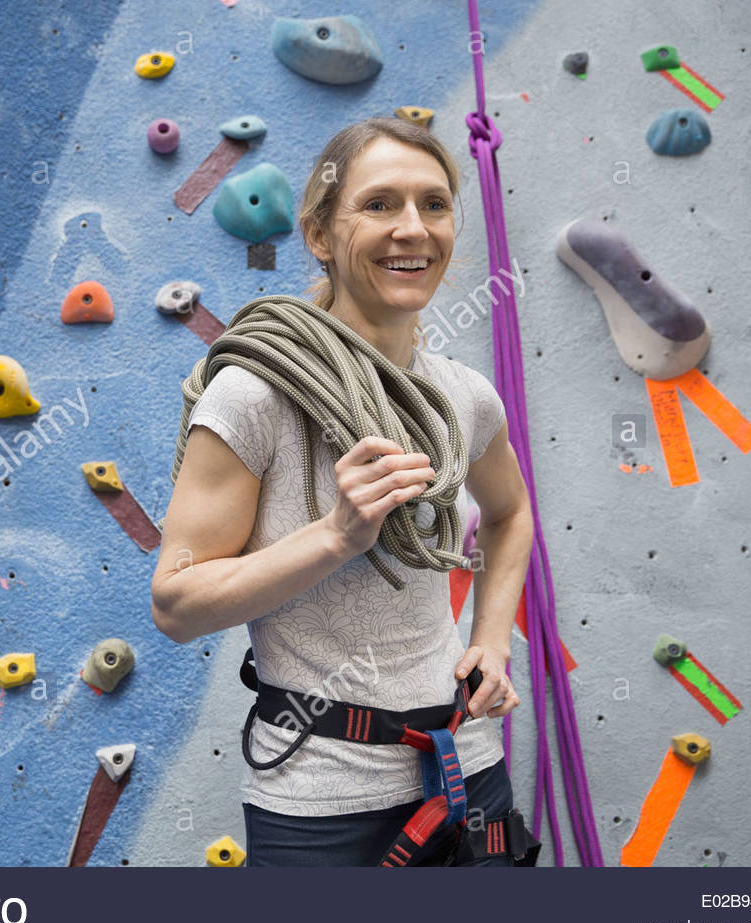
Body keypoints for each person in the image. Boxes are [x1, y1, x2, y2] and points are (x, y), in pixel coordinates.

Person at [150, 117, 535, 866]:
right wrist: (335, 536)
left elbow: (511, 513)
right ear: (320, 235)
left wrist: (491, 642)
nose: (412, 229)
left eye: (434, 204)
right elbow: (175, 604)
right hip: (320, 802)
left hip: (468, 770)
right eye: (380, 204)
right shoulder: (251, 397)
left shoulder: (463, 397)